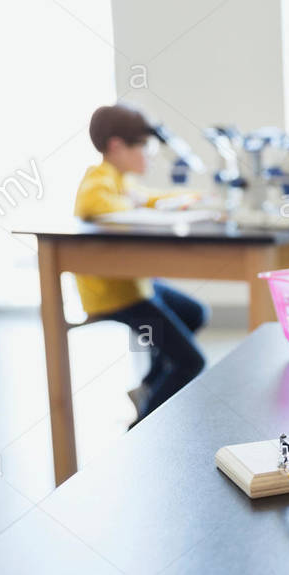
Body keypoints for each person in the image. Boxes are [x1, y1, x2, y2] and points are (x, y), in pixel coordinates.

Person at [74, 104, 207, 426]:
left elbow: (147, 197)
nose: (148, 155)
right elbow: (90, 204)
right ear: (117, 146)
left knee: (194, 313)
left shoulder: (122, 180)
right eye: (143, 147)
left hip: (135, 283)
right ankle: (143, 426)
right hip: (114, 294)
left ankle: (149, 384)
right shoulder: (98, 178)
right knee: (191, 363)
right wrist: (130, 201)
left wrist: (193, 196)